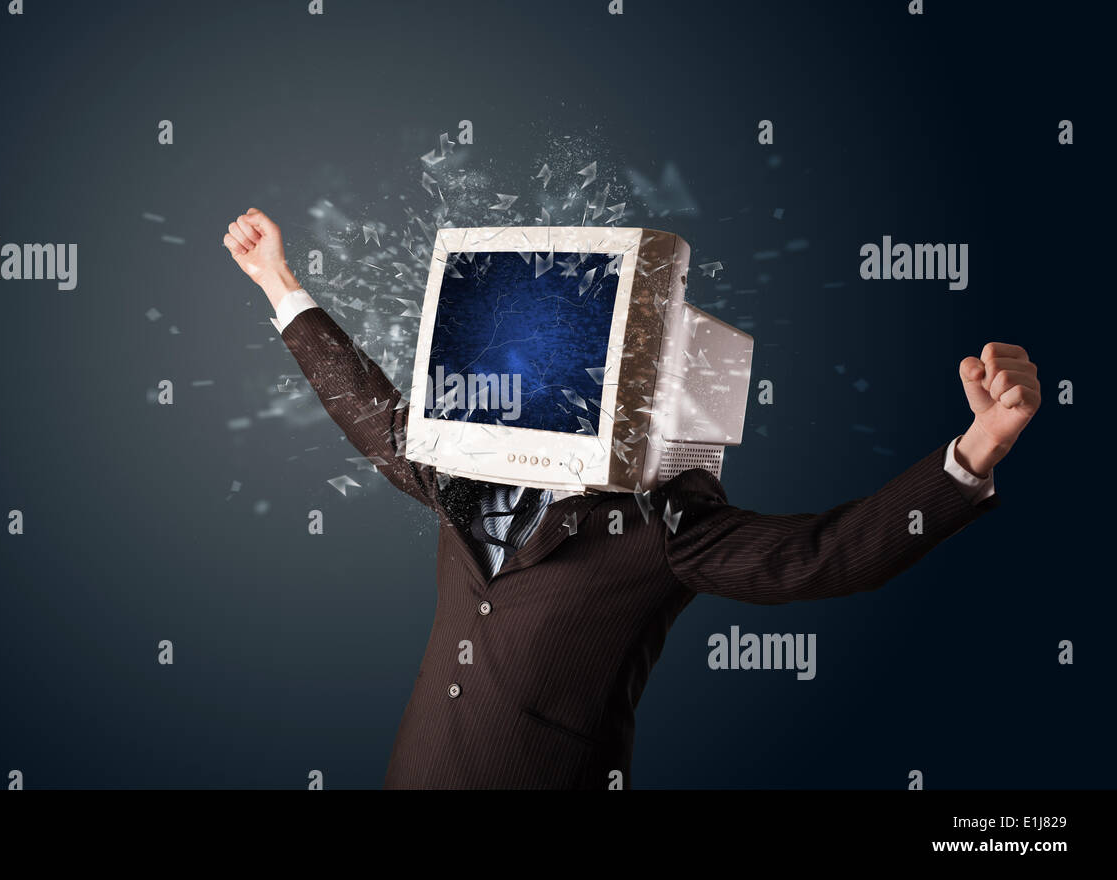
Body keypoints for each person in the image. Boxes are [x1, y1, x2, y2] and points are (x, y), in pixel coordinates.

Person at [223, 208, 1040, 790]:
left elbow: (820, 559)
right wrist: (279, 283)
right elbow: (374, 414)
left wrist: (978, 449)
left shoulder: (664, 522)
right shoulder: (462, 470)